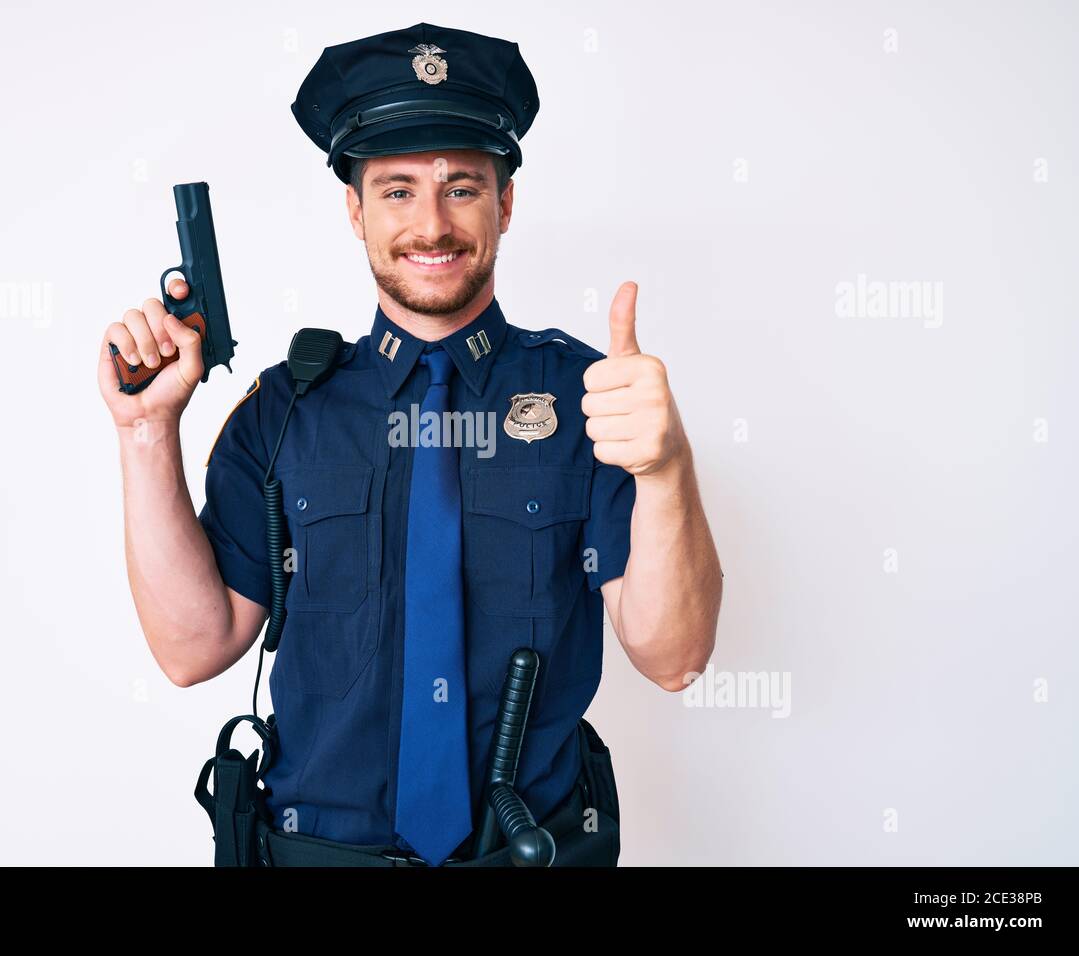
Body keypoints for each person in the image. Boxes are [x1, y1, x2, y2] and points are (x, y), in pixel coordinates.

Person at [98, 22, 722, 867]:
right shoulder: (285, 410)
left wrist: (666, 467)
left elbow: (674, 658)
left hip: (525, 853)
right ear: (354, 210)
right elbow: (191, 649)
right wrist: (145, 431)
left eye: (462, 186)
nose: (431, 224)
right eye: (396, 191)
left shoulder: (589, 399)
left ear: (505, 202)